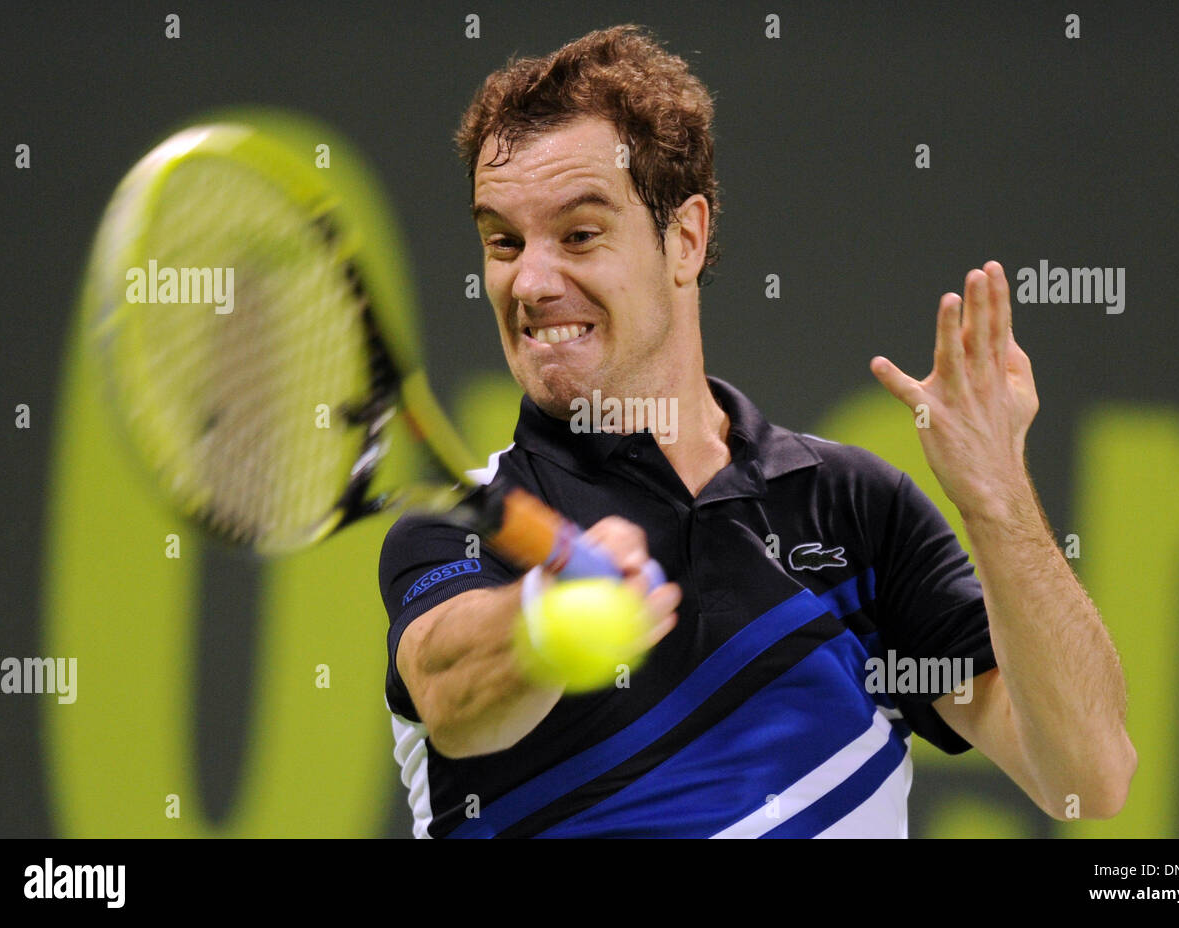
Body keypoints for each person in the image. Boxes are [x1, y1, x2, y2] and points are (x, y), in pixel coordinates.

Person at [378, 24, 1136, 838]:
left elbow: (1086, 776)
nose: (529, 281)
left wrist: (999, 503)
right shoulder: (462, 525)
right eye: (503, 241)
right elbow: (450, 692)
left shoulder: (855, 510)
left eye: (579, 235)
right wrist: (549, 625)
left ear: (686, 238)